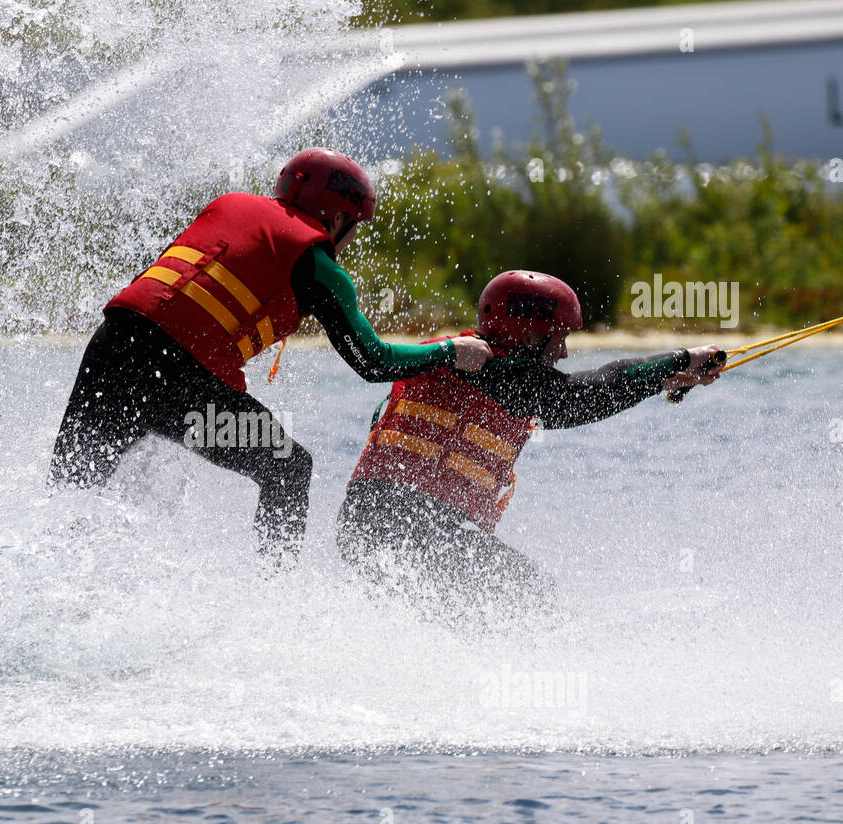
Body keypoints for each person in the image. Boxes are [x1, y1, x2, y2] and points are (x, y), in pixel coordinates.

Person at [49, 147, 491, 558]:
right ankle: (273, 593)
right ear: (338, 218)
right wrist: (453, 350)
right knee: (289, 468)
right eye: (353, 227)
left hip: (111, 344)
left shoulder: (227, 205)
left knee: (69, 490)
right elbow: (374, 360)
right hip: (181, 382)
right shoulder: (317, 265)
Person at [336, 269, 724, 603]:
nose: (566, 353)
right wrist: (680, 358)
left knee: (503, 596)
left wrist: (659, 381)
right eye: (559, 338)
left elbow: (582, 395)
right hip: (406, 527)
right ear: (527, 335)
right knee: (530, 593)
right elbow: (584, 395)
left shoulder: (470, 366)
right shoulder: (488, 368)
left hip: (374, 525)